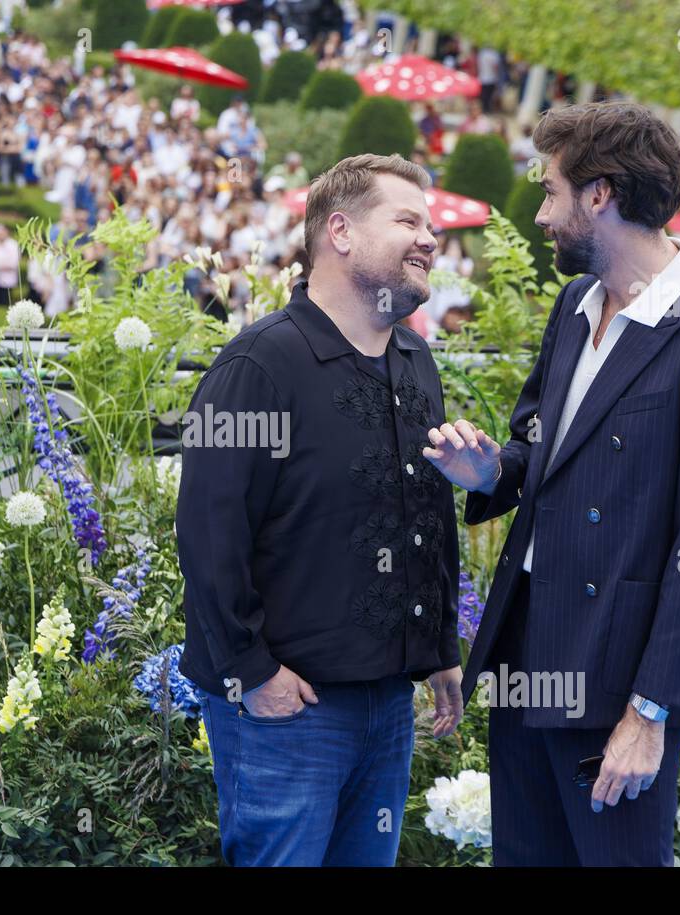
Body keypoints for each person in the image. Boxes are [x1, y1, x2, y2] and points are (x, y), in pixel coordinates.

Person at [424, 102, 680, 866]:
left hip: (618, 674)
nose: (542, 214)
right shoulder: (572, 304)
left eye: (551, 192)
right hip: (527, 649)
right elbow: (535, 450)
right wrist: (485, 470)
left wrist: (649, 710)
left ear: (600, 193)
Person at [176, 154, 464, 867]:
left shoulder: (414, 362)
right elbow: (208, 533)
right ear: (339, 231)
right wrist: (254, 674)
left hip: (388, 705)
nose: (430, 239)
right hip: (288, 711)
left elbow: (425, 509)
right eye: (408, 221)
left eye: (430, 225)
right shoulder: (259, 364)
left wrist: (438, 652)